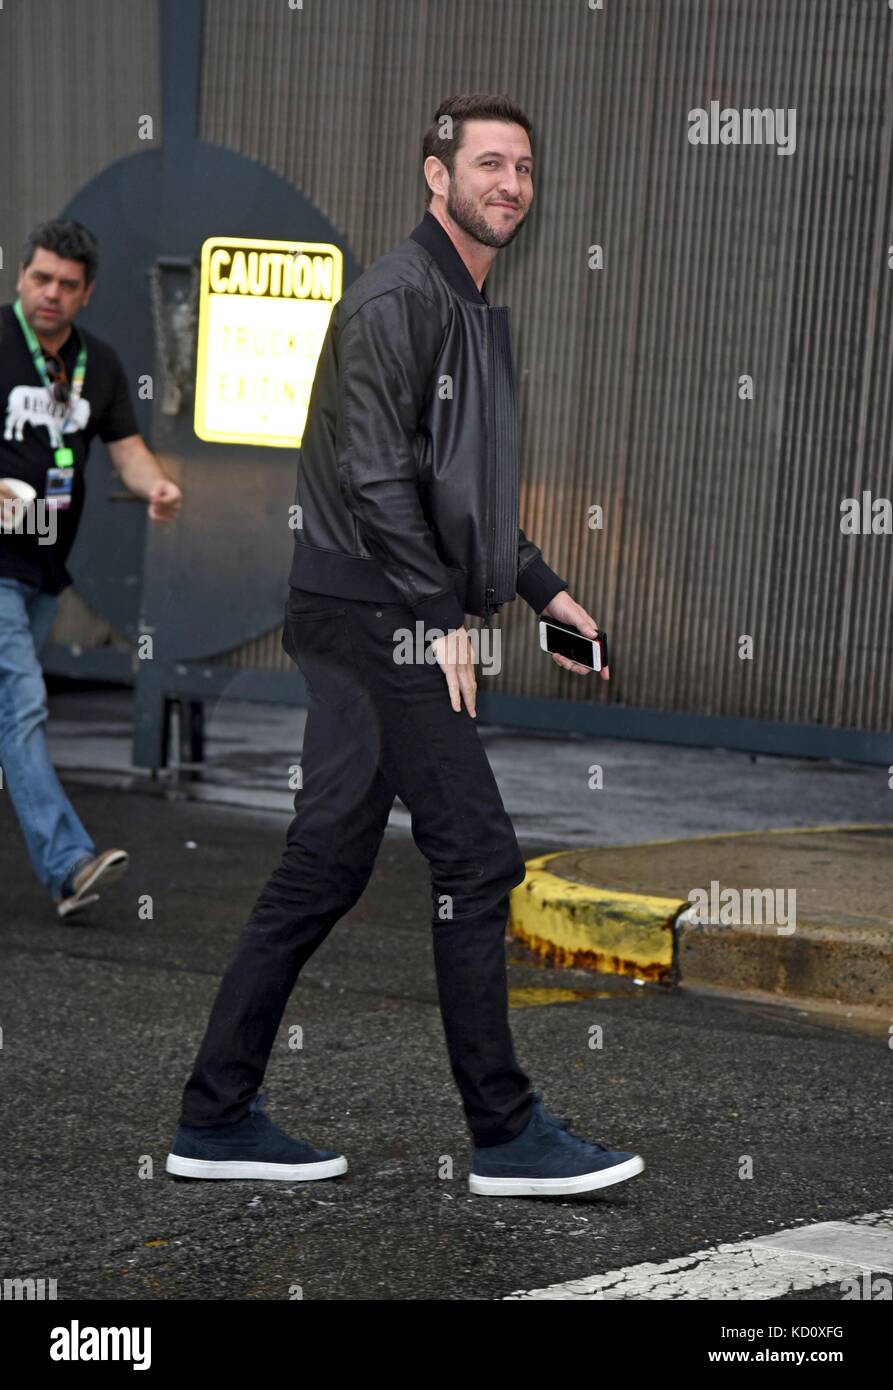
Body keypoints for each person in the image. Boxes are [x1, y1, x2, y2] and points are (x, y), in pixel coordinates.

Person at [167, 94, 644, 1197]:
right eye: (487, 163)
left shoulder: (465, 304)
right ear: (436, 177)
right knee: (475, 856)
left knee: (326, 861)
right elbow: (377, 475)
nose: (510, 183)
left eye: (523, 166)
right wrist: (435, 621)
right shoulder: (396, 297)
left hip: (369, 607)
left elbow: (454, 490)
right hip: (375, 615)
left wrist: (541, 588)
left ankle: (212, 1113)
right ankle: (506, 1132)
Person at [0, 219, 182, 919]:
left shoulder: (97, 365)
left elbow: (127, 448)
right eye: (41, 278)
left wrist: (156, 486)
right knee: (21, 707)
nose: (51, 294)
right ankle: (67, 863)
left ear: (87, 292)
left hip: (43, 567)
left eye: (67, 285)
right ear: (22, 275)